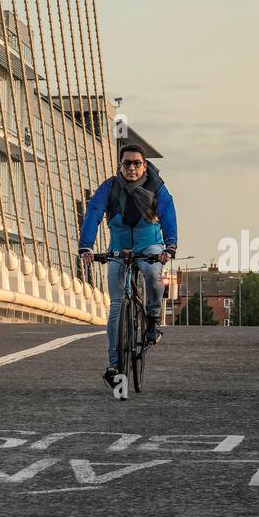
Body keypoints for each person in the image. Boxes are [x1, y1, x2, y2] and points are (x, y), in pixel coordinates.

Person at [79, 143, 178, 389]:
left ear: (144, 166)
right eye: (127, 163)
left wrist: (170, 246)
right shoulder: (110, 187)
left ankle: (153, 319)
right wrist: (86, 246)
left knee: (152, 274)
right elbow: (93, 212)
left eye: (137, 163)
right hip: (118, 249)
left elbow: (168, 214)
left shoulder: (156, 187)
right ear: (119, 166)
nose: (132, 168)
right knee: (115, 305)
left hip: (151, 246)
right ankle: (114, 365)